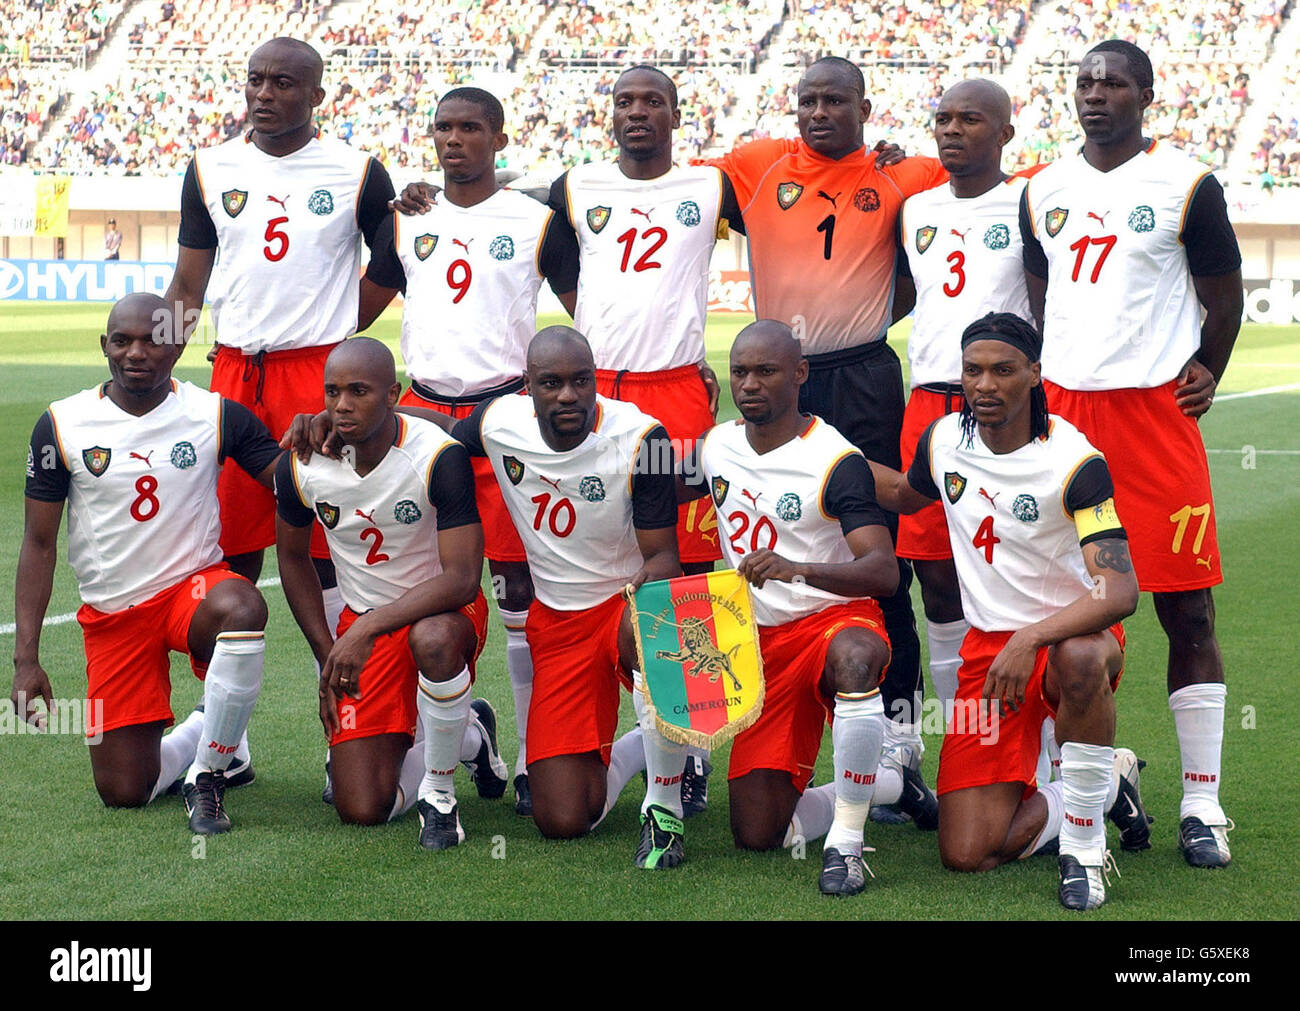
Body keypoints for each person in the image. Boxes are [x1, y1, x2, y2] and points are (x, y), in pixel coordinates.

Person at [1020, 40, 1244, 868]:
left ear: (1146, 94)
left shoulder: (1187, 183)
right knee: (1058, 611)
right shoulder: (1041, 188)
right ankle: (1083, 781)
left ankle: (1201, 799)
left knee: (1187, 608)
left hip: (1154, 420)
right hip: (1066, 420)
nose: (1095, 94)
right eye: (1083, 82)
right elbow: (1040, 294)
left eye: (1113, 82)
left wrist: (1207, 373)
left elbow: (1226, 299)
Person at [707, 56, 948, 825]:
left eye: (835, 100)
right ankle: (729, 727)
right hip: (782, 375)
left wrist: (880, 303)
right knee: (763, 528)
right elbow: (659, 190)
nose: (819, 112)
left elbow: (981, 186)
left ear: (864, 106)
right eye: (807, 99)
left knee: (888, 552)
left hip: (865, 376)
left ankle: (899, 740)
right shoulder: (753, 164)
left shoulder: (905, 174)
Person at [869, 312, 1150, 910]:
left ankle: (1082, 846)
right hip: (988, 653)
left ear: (1035, 375)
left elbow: (1118, 592)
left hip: (1069, 638)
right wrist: (812, 446)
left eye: (1003, 371)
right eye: (972, 371)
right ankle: (1104, 786)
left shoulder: (1074, 459)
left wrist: (1031, 640)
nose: (985, 385)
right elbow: (901, 494)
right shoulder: (944, 440)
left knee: (1078, 658)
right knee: (967, 853)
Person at [358, 87, 579, 817]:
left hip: (508, 417)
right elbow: (361, 306)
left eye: (470, 128)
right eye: (444, 128)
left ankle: (524, 756)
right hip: (420, 417)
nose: (455, 140)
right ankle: (449, 737)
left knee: (520, 588)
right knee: (422, 580)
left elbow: (589, 316)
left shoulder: (538, 220)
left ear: (499, 135)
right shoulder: (407, 217)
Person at [12, 293, 281, 835]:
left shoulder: (214, 413)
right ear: (104, 346)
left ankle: (209, 771)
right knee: (125, 792)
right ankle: (211, 729)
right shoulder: (62, 425)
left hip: (193, 593)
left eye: (153, 340)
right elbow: (38, 544)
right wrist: (26, 660)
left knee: (242, 604)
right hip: (116, 615)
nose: (137, 352)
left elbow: (287, 480)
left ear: (175, 346)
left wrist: (327, 442)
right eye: (122, 340)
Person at [435, 327, 690, 867]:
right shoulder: (500, 421)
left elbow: (665, 557)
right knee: (563, 819)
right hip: (559, 621)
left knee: (650, 621)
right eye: (551, 383)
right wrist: (343, 425)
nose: (568, 395)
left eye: (581, 381)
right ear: (527, 386)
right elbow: (441, 434)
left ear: (596, 380)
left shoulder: (643, 438)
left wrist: (649, 593)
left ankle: (663, 811)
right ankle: (648, 749)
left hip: (625, 605)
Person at [164, 36, 395, 624]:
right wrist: (150, 372)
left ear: (317, 95)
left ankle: (357, 702)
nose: (264, 94)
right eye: (255, 79)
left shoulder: (358, 171)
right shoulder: (209, 168)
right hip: (235, 375)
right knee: (228, 551)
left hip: (319, 379)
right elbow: (188, 286)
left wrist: (344, 329)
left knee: (333, 547)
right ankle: (224, 715)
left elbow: (392, 265)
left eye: (282, 83)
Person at [680, 320, 900, 896]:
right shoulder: (717, 446)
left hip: (831, 622)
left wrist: (797, 568)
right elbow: (650, 481)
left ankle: (848, 843)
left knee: (856, 656)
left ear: (800, 374)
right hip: (759, 641)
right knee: (756, 834)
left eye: (766, 371)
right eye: (741, 373)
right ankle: (891, 784)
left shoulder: (835, 459)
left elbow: (883, 571)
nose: (750, 384)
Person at [275, 338, 506, 848]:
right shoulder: (301, 463)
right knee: (360, 808)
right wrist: (326, 655)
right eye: (332, 392)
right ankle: (469, 734)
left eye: (359, 391)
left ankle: (439, 796)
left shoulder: (435, 456)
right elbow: (291, 558)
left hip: (444, 611)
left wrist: (367, 627)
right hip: (362, 624)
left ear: (393, 395)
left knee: (434, 640)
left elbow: (463, 577)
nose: (342, 406)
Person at [895, 79, 1038, 754]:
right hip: (927, 404)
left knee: (1017, 571)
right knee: (936, 575)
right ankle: (964, 740)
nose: (952, 130)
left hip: (1006, 409)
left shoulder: (1033, 202)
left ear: (1005, 132)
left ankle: (1041, 749)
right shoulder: (915, 208)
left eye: (970, 119)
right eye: (943, 118)